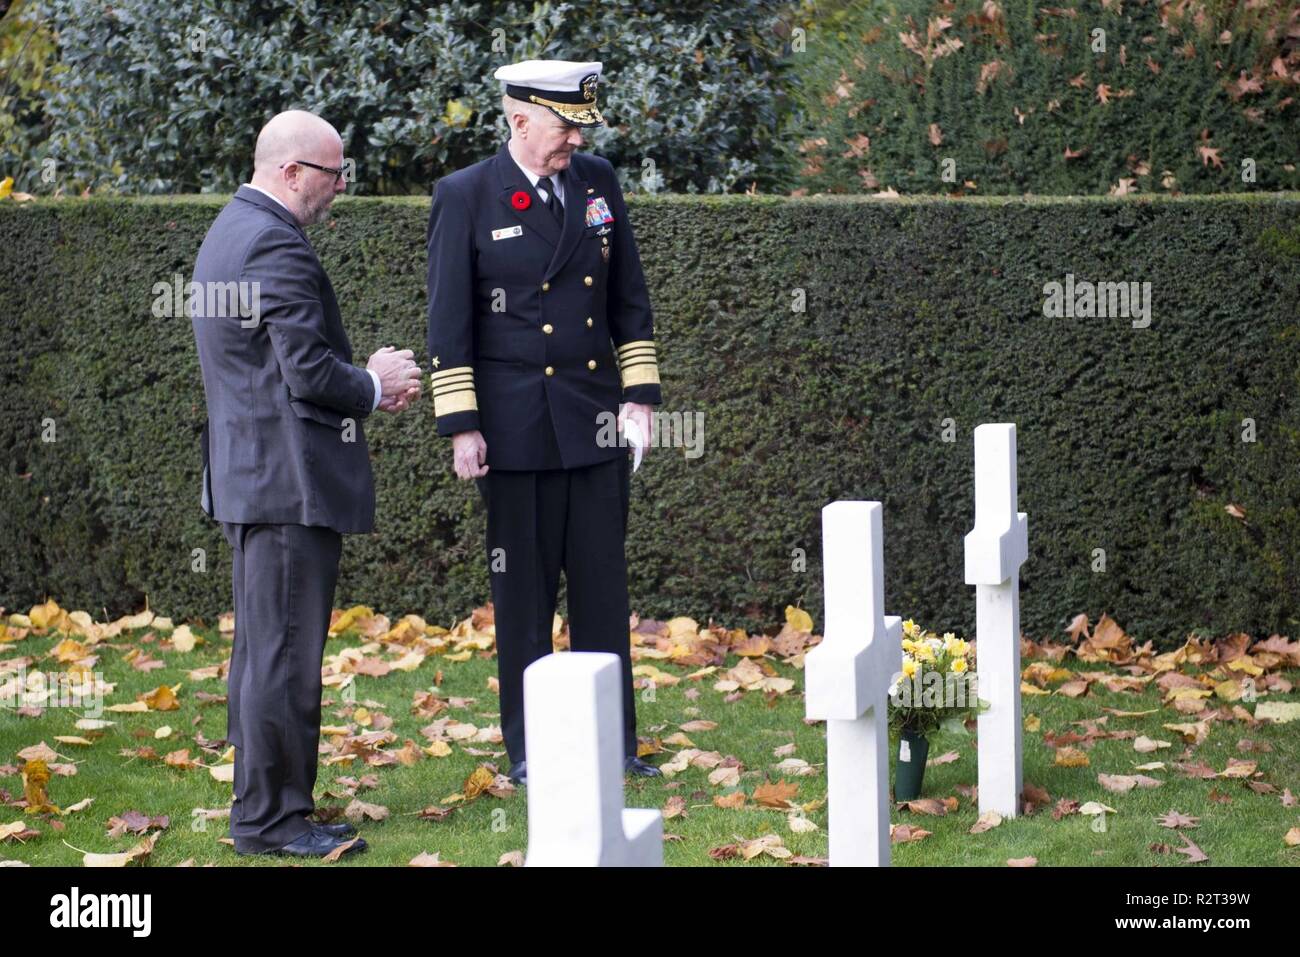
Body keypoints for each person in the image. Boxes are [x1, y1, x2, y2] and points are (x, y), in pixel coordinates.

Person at [191, 109, 421, 857]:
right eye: (332, 173)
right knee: (285, 657)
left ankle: (267, 804)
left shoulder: (230, 227)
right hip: (287, 482)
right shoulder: (273, 243)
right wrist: (375, 383)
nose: (339, 187)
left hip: (253, 476)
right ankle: (272, 820)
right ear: (291, 171)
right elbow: (310, 372)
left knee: (265, 652)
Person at [426, 60, 663, 784]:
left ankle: (614, 742)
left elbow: (629, 297)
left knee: (603, 591)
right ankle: (529, 749)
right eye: (563, 127)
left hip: (592, 421)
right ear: (519, 119)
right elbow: (449, 318)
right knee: (523, 599)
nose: (573, 141)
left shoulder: (598, 181)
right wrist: (462, 423)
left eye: (579, 128)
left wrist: (640, 396)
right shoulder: (466, 195)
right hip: (515, 430)